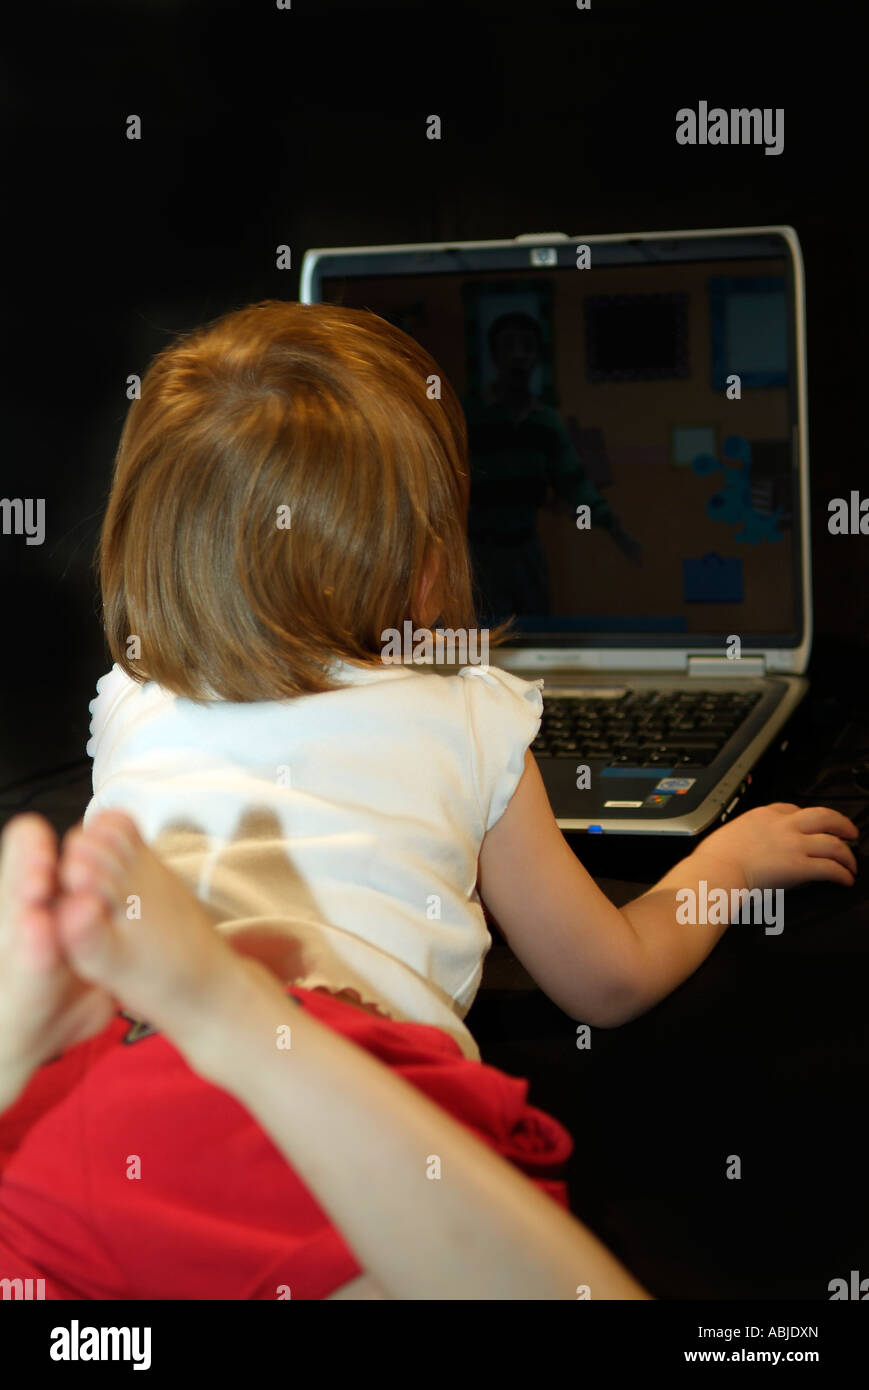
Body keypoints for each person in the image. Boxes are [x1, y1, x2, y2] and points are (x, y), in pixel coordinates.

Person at [0, 300, 857, 1299]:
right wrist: (725, 865)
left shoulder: (131, 698)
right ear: (425, 559)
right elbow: (604, 980)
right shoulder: (471, 714)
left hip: (104, 1091)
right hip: (352, 1095)